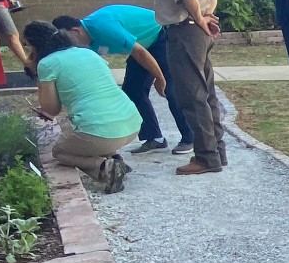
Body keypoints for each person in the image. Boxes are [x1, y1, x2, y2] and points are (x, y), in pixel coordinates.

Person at [128, 0, 226, 174]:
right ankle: (218, 152)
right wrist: (206, 17)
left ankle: (206, 158)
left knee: (192, 96)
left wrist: (198, 17)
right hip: (199, 28)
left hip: (184, 31)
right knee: (208, 94)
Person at [52, 8, 192, 155]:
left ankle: (190, 138)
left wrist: (160, 78)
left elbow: (140, 52)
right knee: (132, 90)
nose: (72, 48)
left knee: (171, 89)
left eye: (70, 43)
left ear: (76, 31)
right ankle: (155, 138)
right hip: (141, 46)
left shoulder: (102, 27)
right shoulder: (86, 42)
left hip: (159, 37)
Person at [23, 20, 140, 194]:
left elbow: (51, 109)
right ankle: (114, 156)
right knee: (92, 127)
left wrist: (38, 75)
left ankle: (106, 168)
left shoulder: (47, 64)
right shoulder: (88, 53)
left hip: (100, 133)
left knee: (60, 152)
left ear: (35, 46)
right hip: (132, 124)